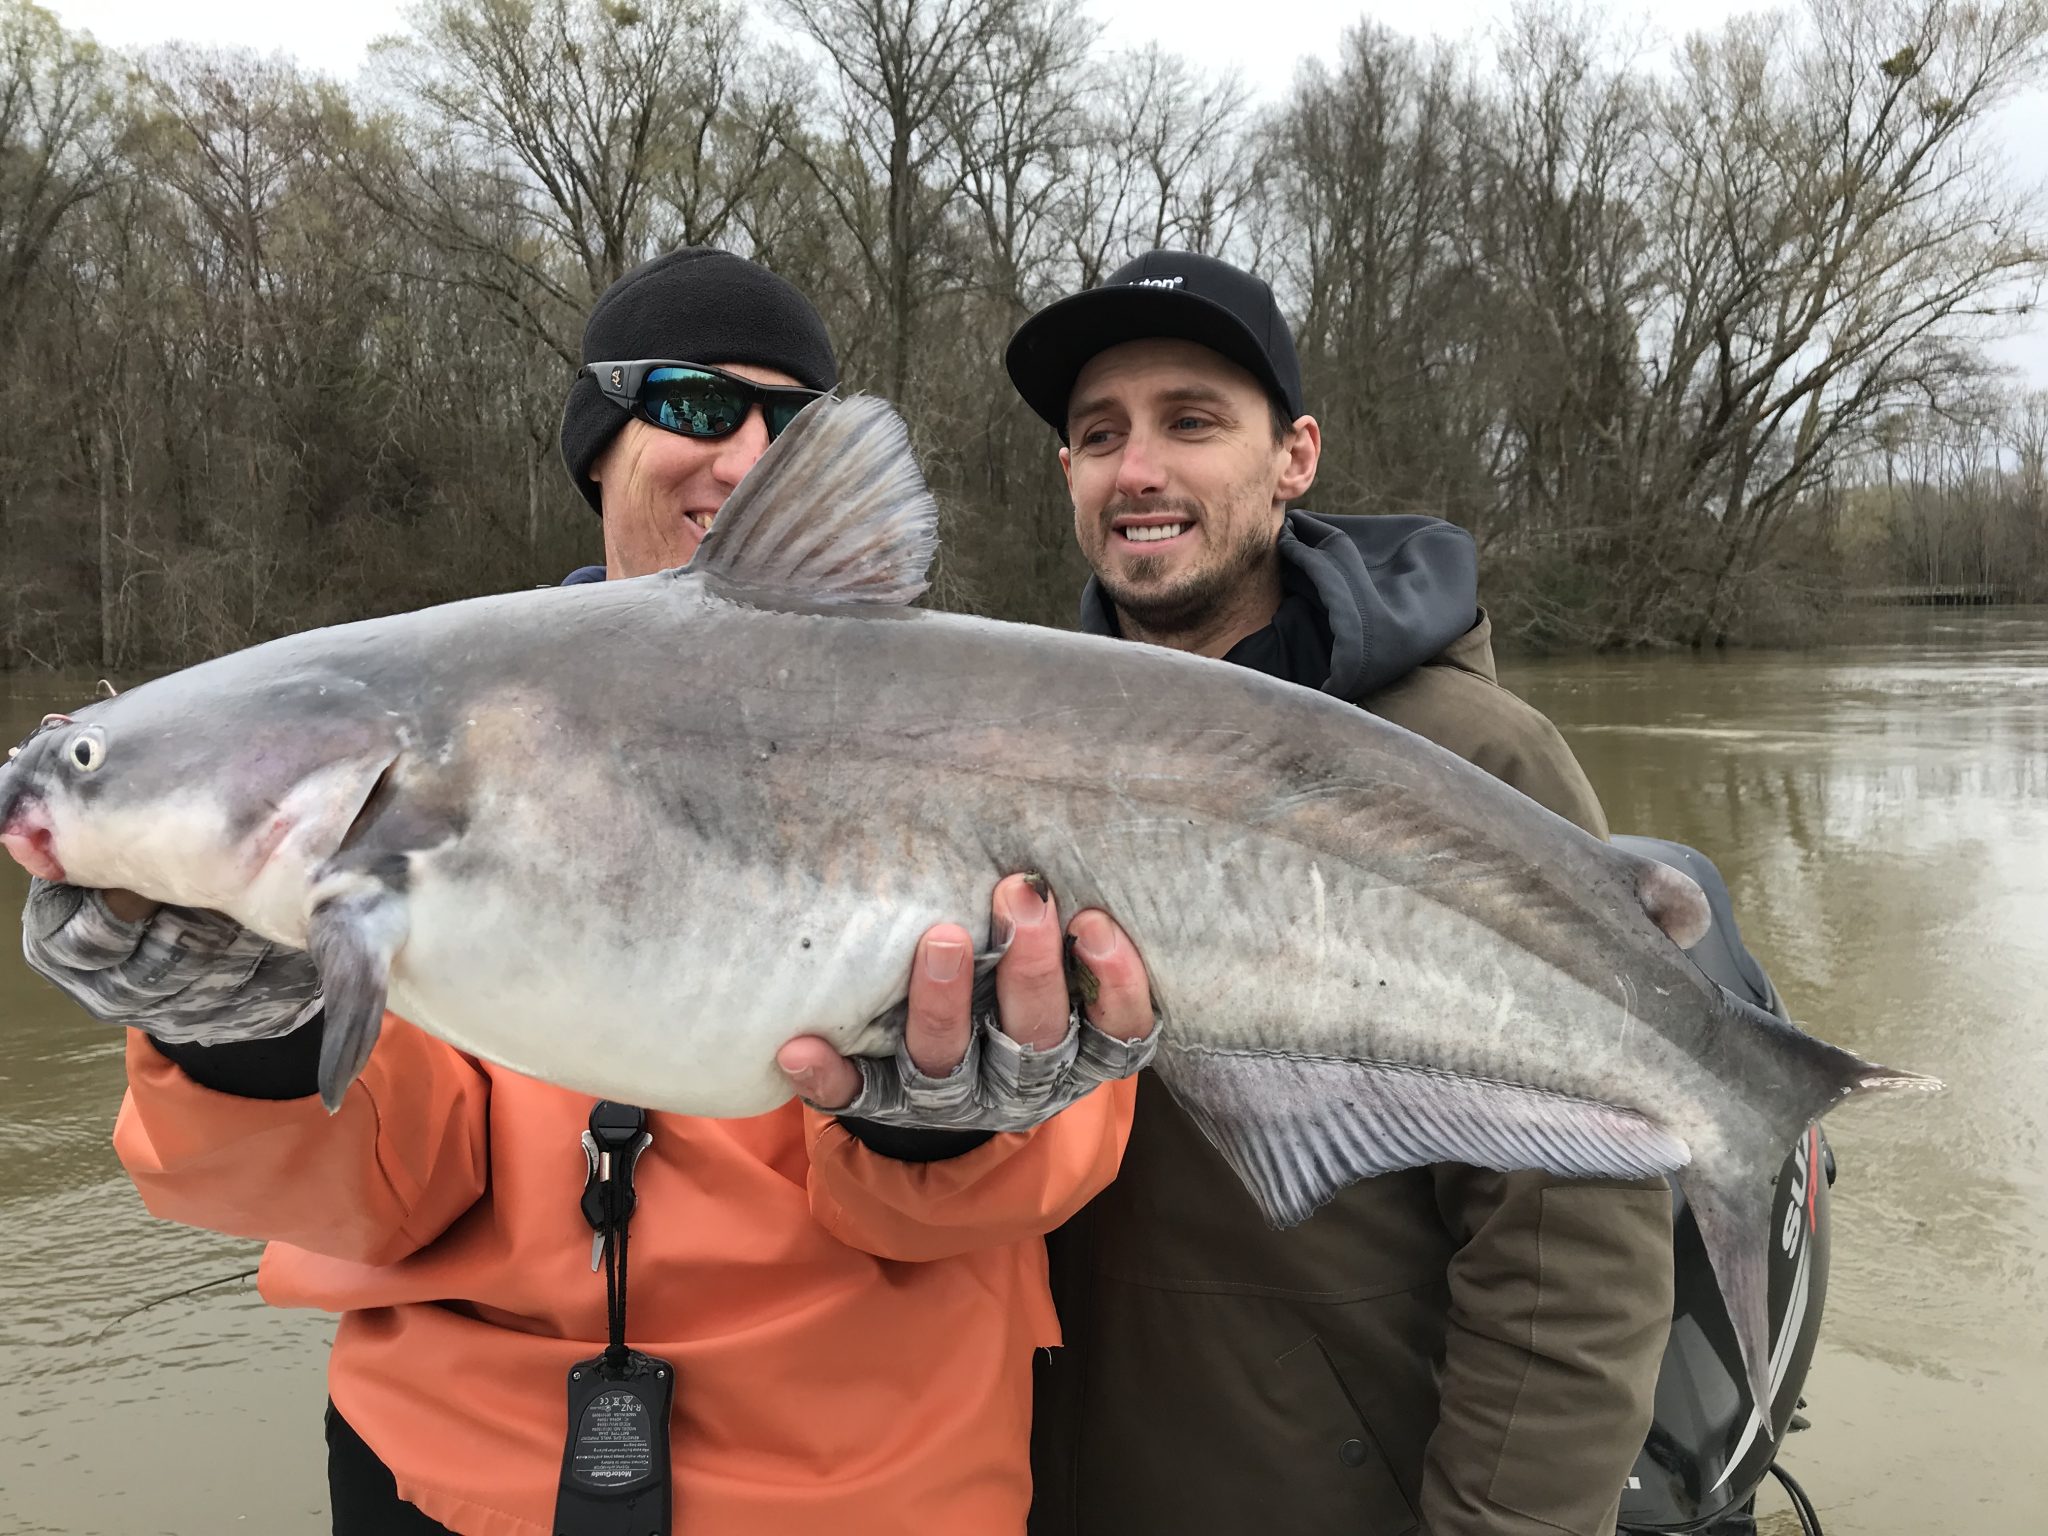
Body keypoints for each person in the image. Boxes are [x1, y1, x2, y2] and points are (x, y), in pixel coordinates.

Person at [19, 247, 1156, 1536]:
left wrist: (935, 1131)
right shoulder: (397, 748)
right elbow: (374, 1195)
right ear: (598, 446)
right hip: (449, 1477)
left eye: (791, 425)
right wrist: (241, 1033)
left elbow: (1061, 1149)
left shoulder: (994, 732)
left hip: (869, 1481)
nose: (742, 455)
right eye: (692, 403)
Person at [1005, 251, 1676, 1536]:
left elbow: (1570, 1248)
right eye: (1099, 434)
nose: (1136, 469)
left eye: (1190, 422)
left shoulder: (1477, 759)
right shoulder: (992, 746)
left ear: (1293, 457)